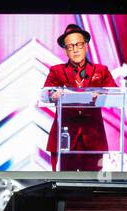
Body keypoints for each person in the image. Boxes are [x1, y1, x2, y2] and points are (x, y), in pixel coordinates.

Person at [44, 23, 117, 172]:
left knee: (93, 185)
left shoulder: (101, 70)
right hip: (65, 137)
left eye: (78, 44)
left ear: (86, 45)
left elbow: (115, 92)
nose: (75, 49)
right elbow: (46, 92)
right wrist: (53, 94)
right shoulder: (57, 71)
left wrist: (103, 94)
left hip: (93, 137)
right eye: (70, 46)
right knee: (65, 184)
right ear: (65, 50)